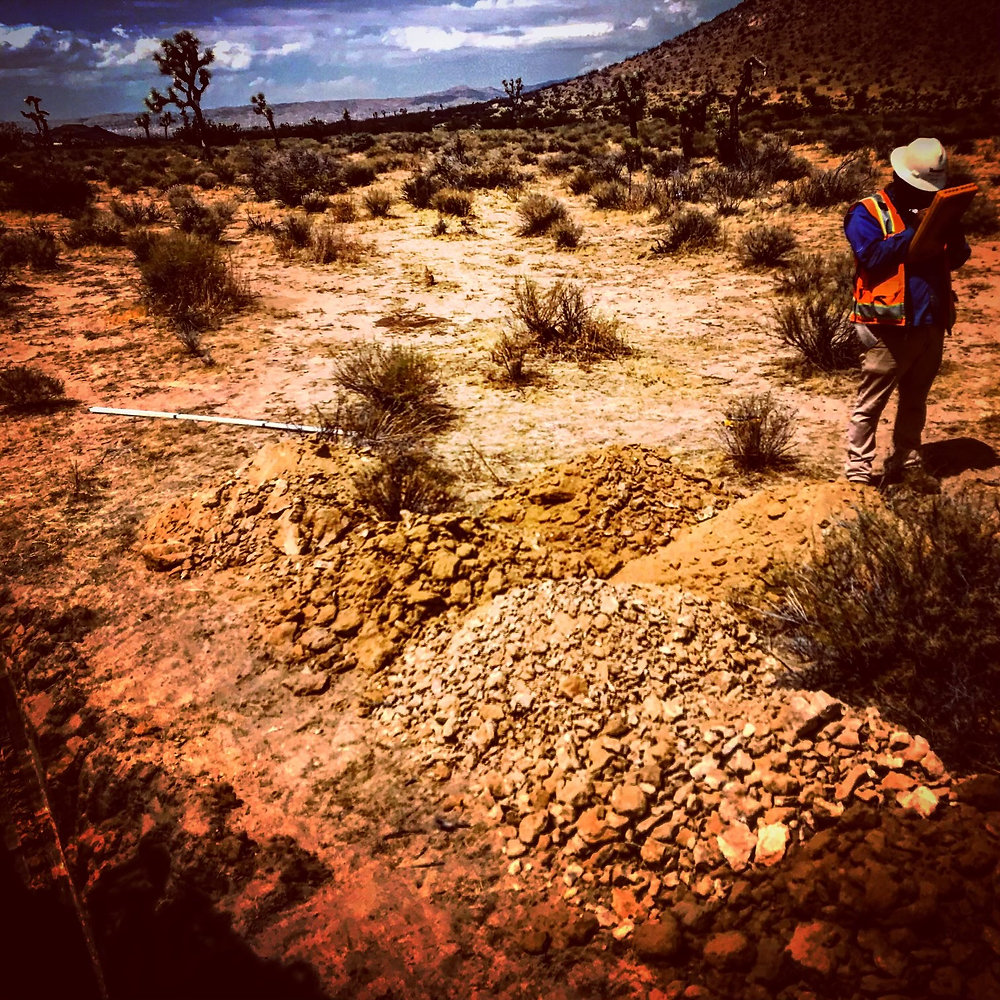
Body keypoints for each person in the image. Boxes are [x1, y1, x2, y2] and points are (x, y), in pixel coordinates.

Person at [843, 137, 971, 486]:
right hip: (889, 325)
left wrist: (951, 230)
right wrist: (917, 230)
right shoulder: (867, 212)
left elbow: (956, 259)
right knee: (871, 403)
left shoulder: (935, 209)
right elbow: (871, 256)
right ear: (899, 178)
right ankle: (857, 473)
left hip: (929, 318)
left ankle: (907, 459)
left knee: (916, 398)